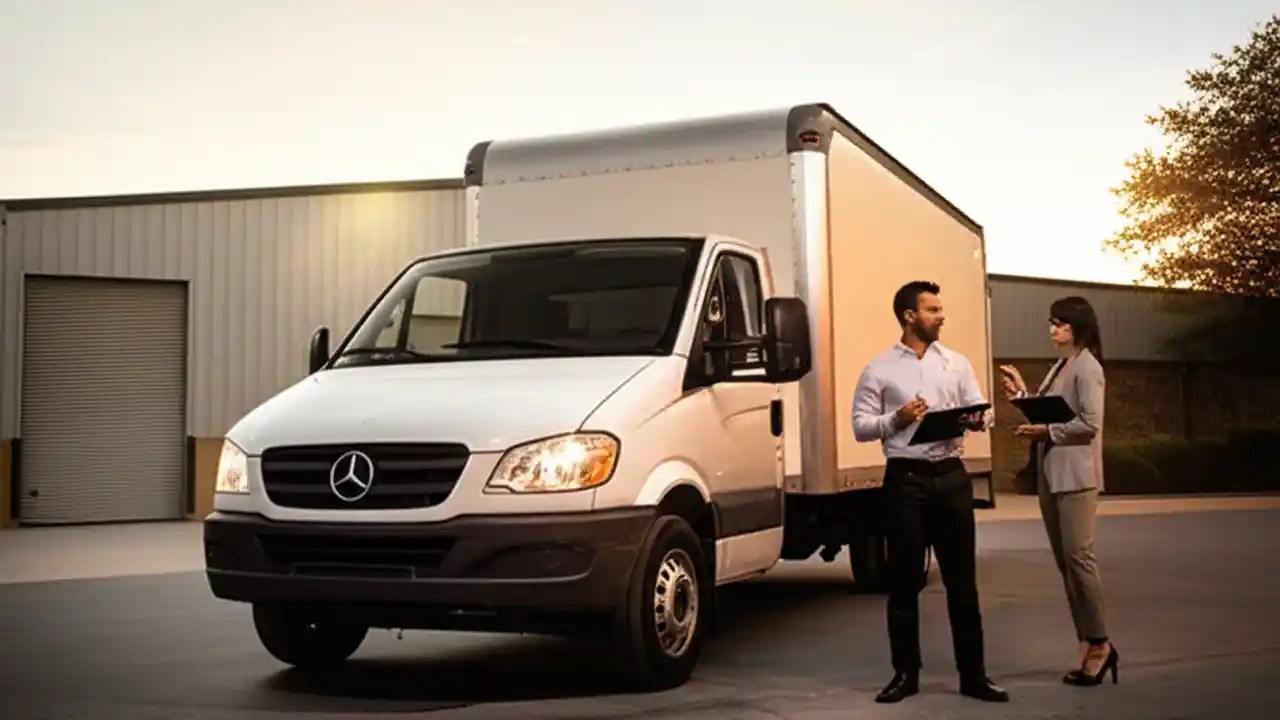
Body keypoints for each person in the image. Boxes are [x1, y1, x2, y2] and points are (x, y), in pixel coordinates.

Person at [852, 280, 1009, 704]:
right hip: (906, 481)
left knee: (963, 583)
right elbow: (860, 426)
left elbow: (982, 409)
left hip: (951, 477)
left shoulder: (956, 364)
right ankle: (905, 675)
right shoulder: (879, 368)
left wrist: (978, 419)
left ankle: (974, 677)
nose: (941, 316)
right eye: (932, 310)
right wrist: (896, 419)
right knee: (903, 582)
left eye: (940, 309)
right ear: (909, 316)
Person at [1000, 295, 1119, 687]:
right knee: (1065, 564)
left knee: (1079, 559)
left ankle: (1101, 644)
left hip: (1078, 477)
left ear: (1077, 327)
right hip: (1052, 474)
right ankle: (1086, 640)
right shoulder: (1060, 366)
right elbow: (1049, 411)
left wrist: (1046, 431)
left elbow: (1089, 424)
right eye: (1051, 323)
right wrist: (1022, 396)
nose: (1052, 330)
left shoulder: (1088, 368)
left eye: (1060, 323)